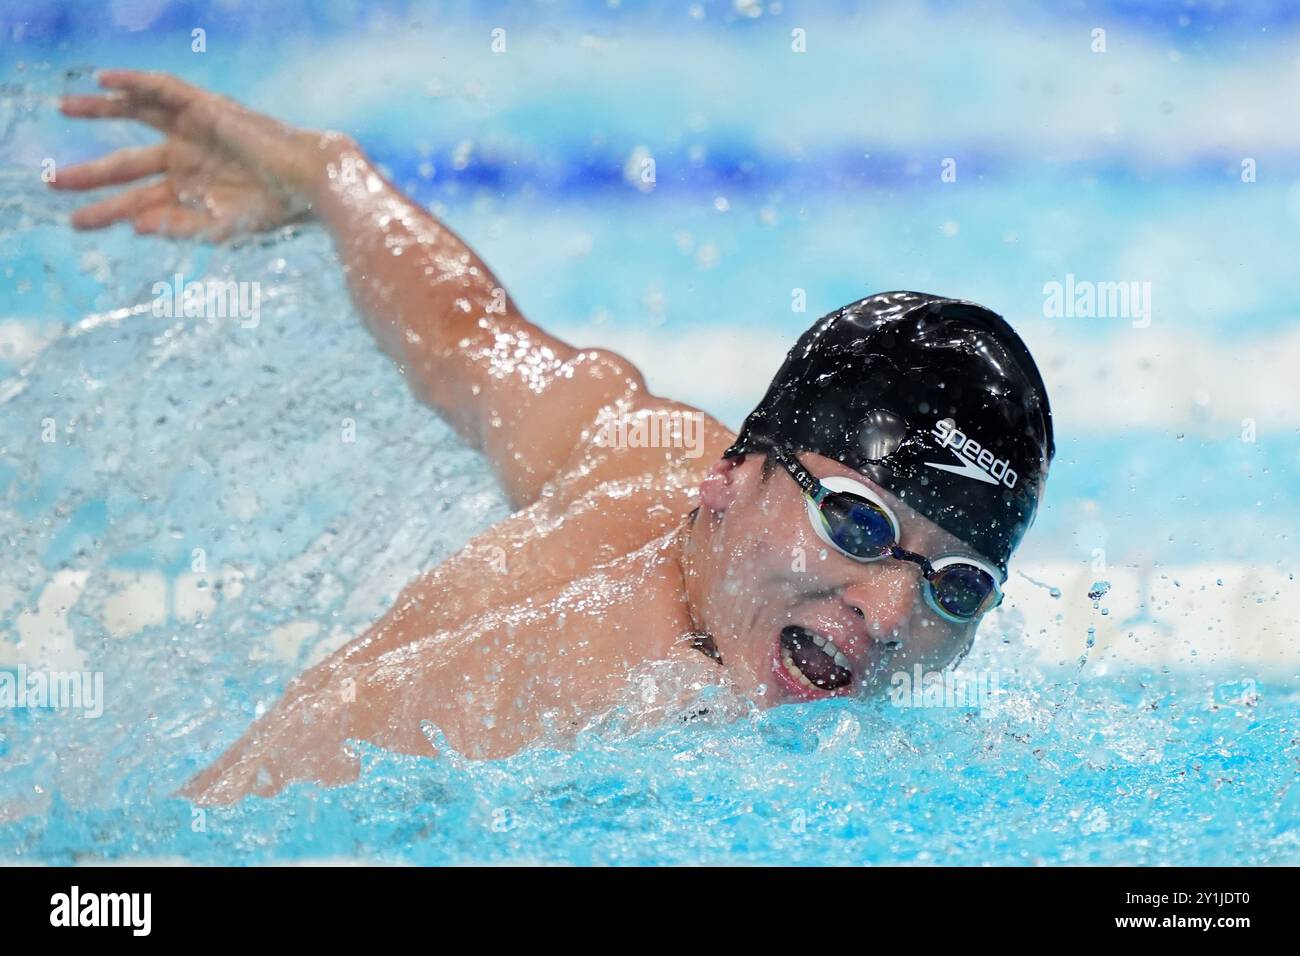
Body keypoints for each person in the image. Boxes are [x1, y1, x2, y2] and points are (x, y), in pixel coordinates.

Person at [51, 71, 1054, 804]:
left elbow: (469, 333)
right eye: (858, 525)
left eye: (952, 583)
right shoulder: (568, 693)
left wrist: (330, 178)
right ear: (732, 475)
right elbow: (222, 819)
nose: (887, 611)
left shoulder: (646, 450)